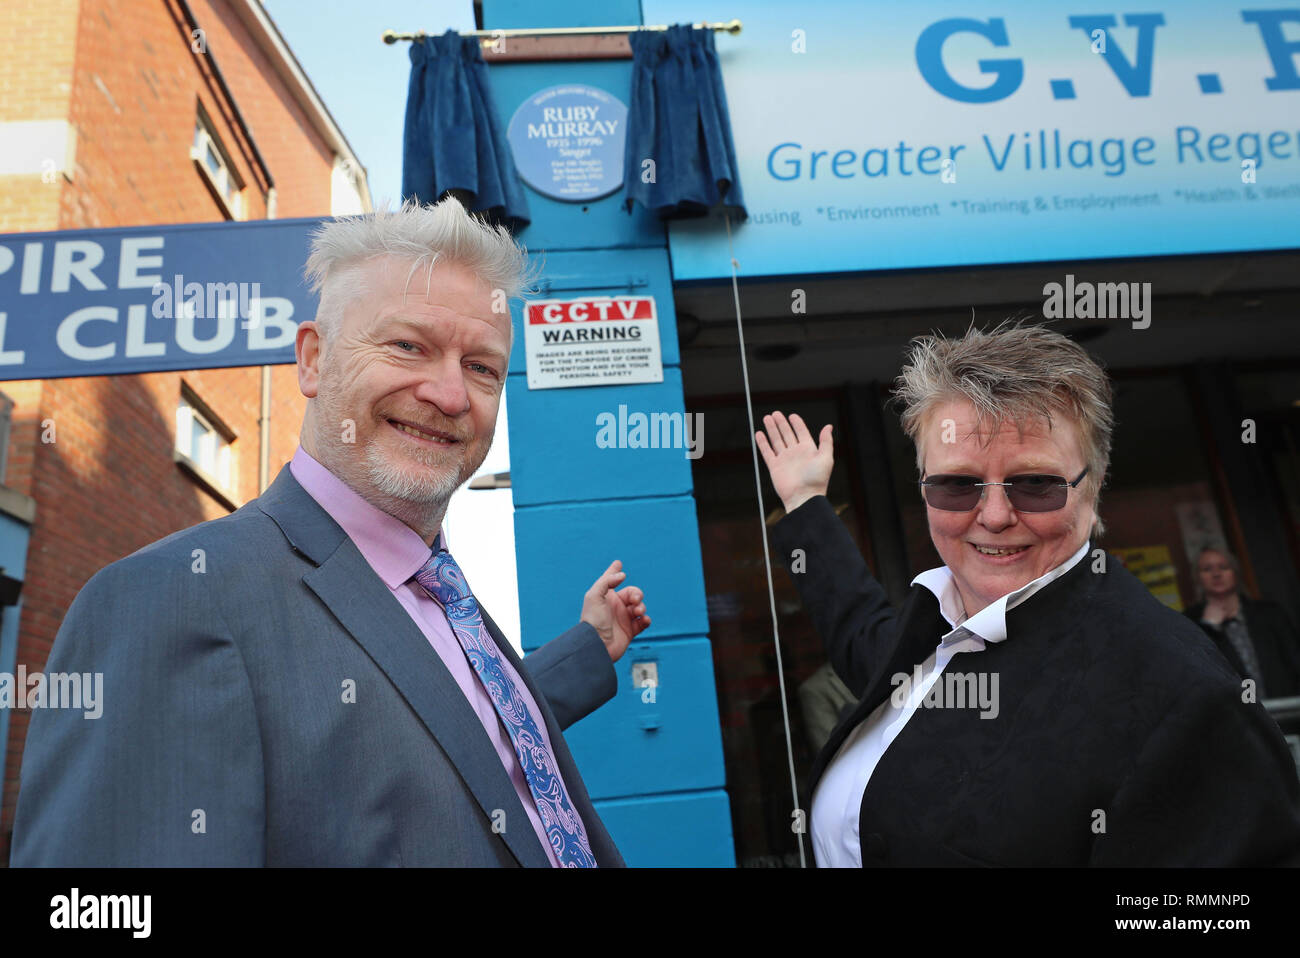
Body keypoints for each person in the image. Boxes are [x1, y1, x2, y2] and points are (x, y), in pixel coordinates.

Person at [11, 197, 650, 867]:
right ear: (313, 360)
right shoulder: (173, 600)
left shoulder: (436, 590)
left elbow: (448, 735)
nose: (451, 394)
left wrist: (589, 648)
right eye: (409, 346)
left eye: (482, 368)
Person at [757, 322, 1300, 866]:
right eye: (957, 484)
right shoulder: (935, 631)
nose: (993, 517)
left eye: (1035, 483)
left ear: (1095, 485)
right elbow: (863, 636)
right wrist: (805, 502)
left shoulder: (1184, 695)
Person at [1186, 547, 1300, 699]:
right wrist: (1208, 627)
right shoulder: (1189, 622)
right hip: (1231, 718)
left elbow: (1295, 660)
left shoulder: (1270, 613)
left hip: (1287, 709)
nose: (1216, 574)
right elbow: (1193, 675)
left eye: (1223, 567)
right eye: (1207, 569)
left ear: (1235, 573)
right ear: (1197, 577)